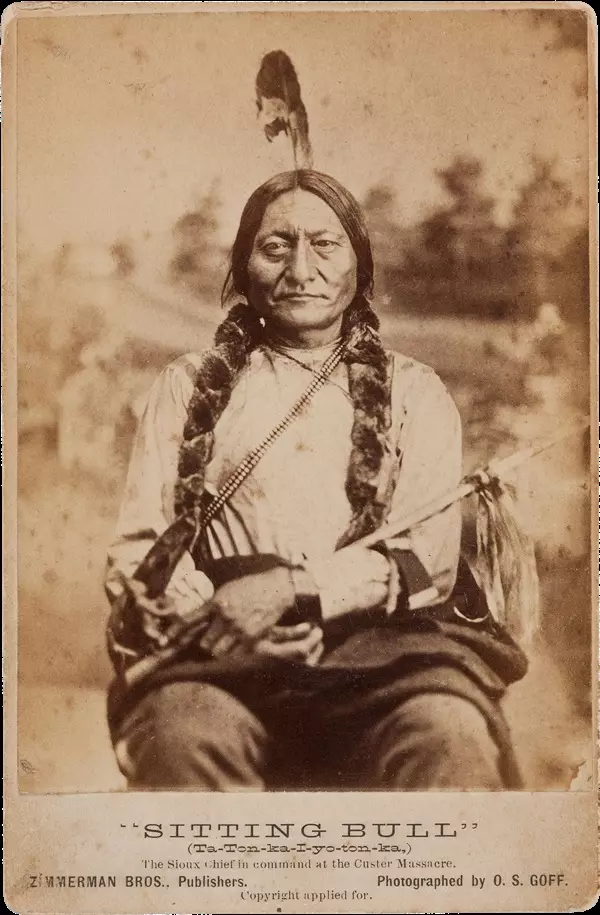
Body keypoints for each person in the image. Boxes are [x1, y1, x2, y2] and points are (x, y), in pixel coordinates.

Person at [104, 169, 528, 791]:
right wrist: (216, 621)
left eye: (325, 245)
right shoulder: (187, 383)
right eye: (275, 246)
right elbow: (141, 548)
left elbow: (428, 561)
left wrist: (294, 591)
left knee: (447, 735)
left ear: (360, 264)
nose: (300, 270)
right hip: (218, 648)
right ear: (244, 265)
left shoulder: (415, 392)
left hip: (384, 656)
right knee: (181, 737)